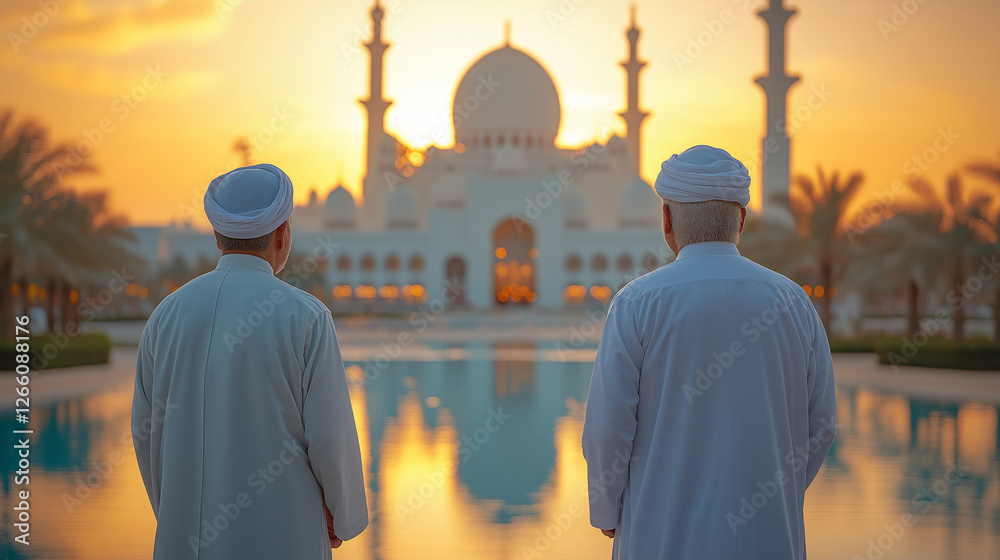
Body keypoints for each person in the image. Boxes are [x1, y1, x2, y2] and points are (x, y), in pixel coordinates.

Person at [582, 145, 836, 559]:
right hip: (769, 541)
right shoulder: (793, 302)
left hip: (659, 540)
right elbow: (822, 424)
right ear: (741, 218)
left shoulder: (636, 303)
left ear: (666, 219)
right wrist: (776, 495)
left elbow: (608, 427)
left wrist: (607, 510)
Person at [132, 164, 369, 559]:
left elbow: (145, 434)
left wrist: (178, 513)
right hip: (287, 539)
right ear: (282, 234)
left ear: (216, 236)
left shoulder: (166, 315)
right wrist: (342, 517)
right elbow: (330, 439)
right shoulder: (305, 317)